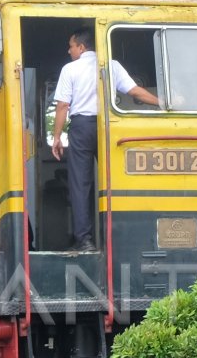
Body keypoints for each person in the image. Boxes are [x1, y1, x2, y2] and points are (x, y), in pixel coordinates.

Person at [50, 27, 158, 252]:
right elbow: (136, 91)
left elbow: (62, 106)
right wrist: (163, 104)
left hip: (81, 127)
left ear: (81, 47)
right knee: (114, 183)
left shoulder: (70, 69)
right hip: (109, 126)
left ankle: (85, 241)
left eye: (71, 46)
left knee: (81, 184)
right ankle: (119, 238)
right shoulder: (112, 65)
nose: (68, 50)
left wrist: (57, 137)